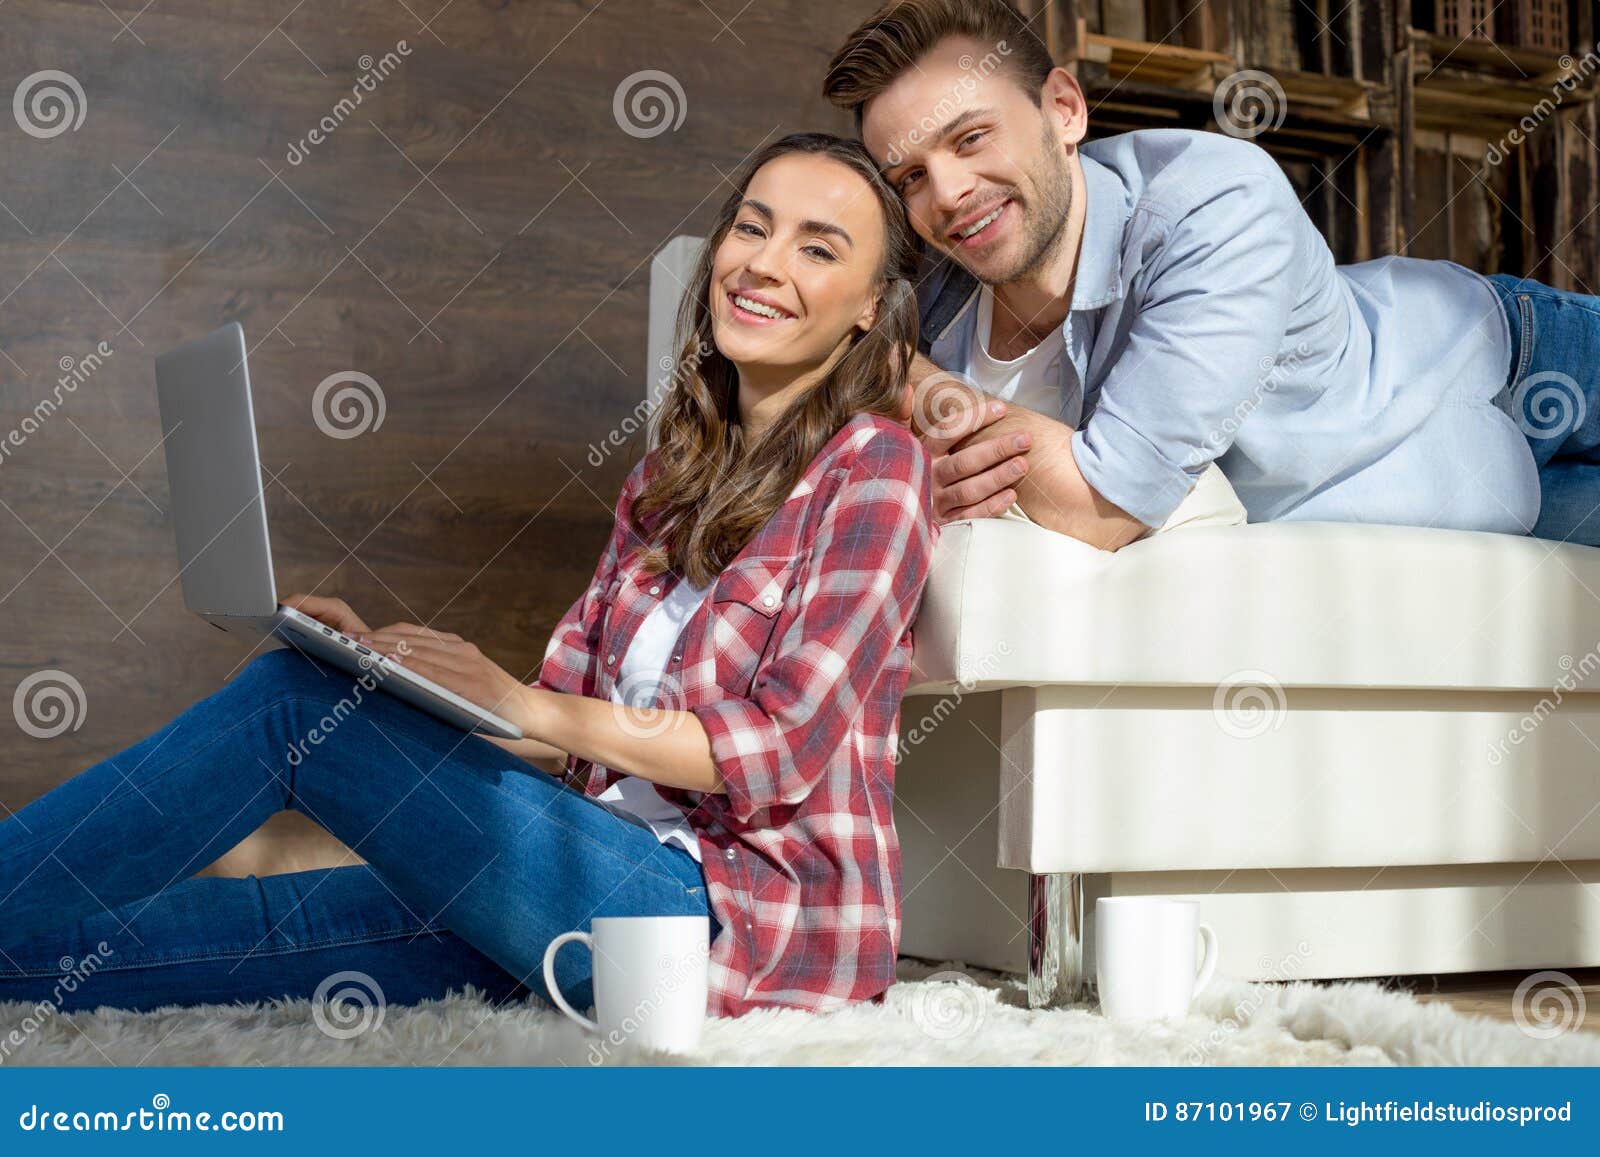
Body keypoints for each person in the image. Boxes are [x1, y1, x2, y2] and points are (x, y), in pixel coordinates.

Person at [0, 133, 935, 1020]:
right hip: (579, 877)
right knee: (141, 941)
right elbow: (558, 736)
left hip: (717, 922)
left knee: (287, 704)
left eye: (818, 248)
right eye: (752, 227)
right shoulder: (665, 482)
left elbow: (780, 745)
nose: (764, 263)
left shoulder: (877, 467)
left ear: (870, 305)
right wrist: (381, 681)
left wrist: (511, 707)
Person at [824, 0, 1598, 549]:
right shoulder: (935, 300)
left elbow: (1101, 510)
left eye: (971, 138)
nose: (947, 193)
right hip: (1440, 490)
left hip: (1499, 351)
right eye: (910, 176)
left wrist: (896, 369)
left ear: (1063, 110)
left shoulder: (1211, 199)